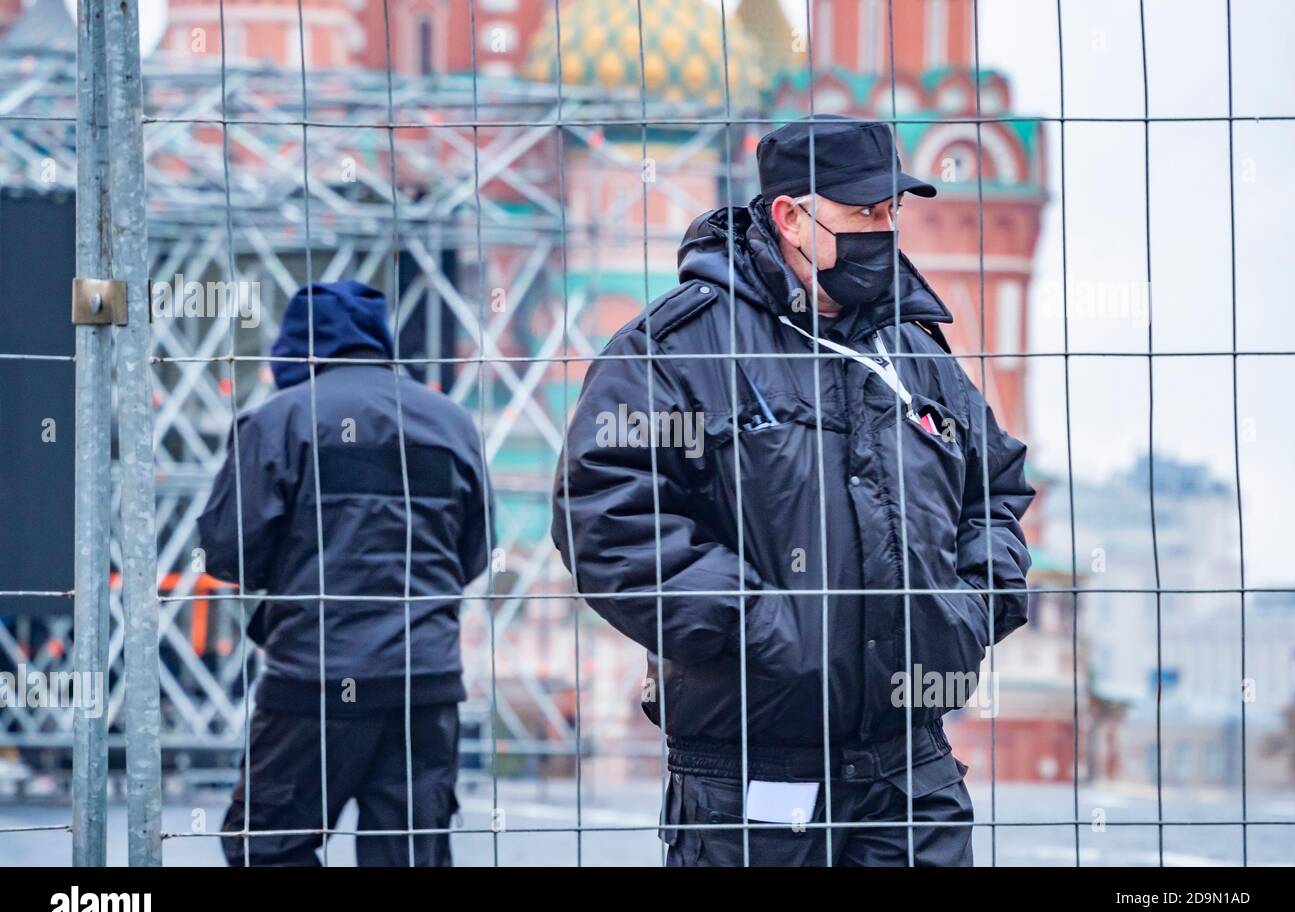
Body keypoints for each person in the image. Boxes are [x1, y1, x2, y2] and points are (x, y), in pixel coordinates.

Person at [551, 116, 1035, 866]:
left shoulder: (914, 353)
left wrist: (966, 609)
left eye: (890, 212)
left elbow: (994, 491)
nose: (884, 230)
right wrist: (763, 630)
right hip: (751, 774)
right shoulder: (680, 349)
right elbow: (604, 514)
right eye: (862, 213)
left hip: (912, 774)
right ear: (791, 216)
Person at [198, 280, 493, 866]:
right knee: (408, 855)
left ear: (296, 346)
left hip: (314, 676)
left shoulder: (280, 420)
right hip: (424, 681)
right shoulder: (452, 422)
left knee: (268, 845)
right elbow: (474, 555)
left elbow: (227, 552)